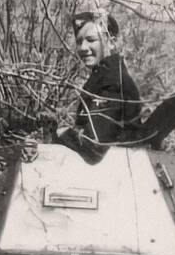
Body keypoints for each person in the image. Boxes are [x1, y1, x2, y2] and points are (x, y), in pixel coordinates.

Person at [57, 10, 142, 156]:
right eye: (79, 41)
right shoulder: (102, 76)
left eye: (91, 40)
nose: (83, 48)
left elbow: (94, 145)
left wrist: (61, 133)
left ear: (112, 42)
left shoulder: (112, 80)